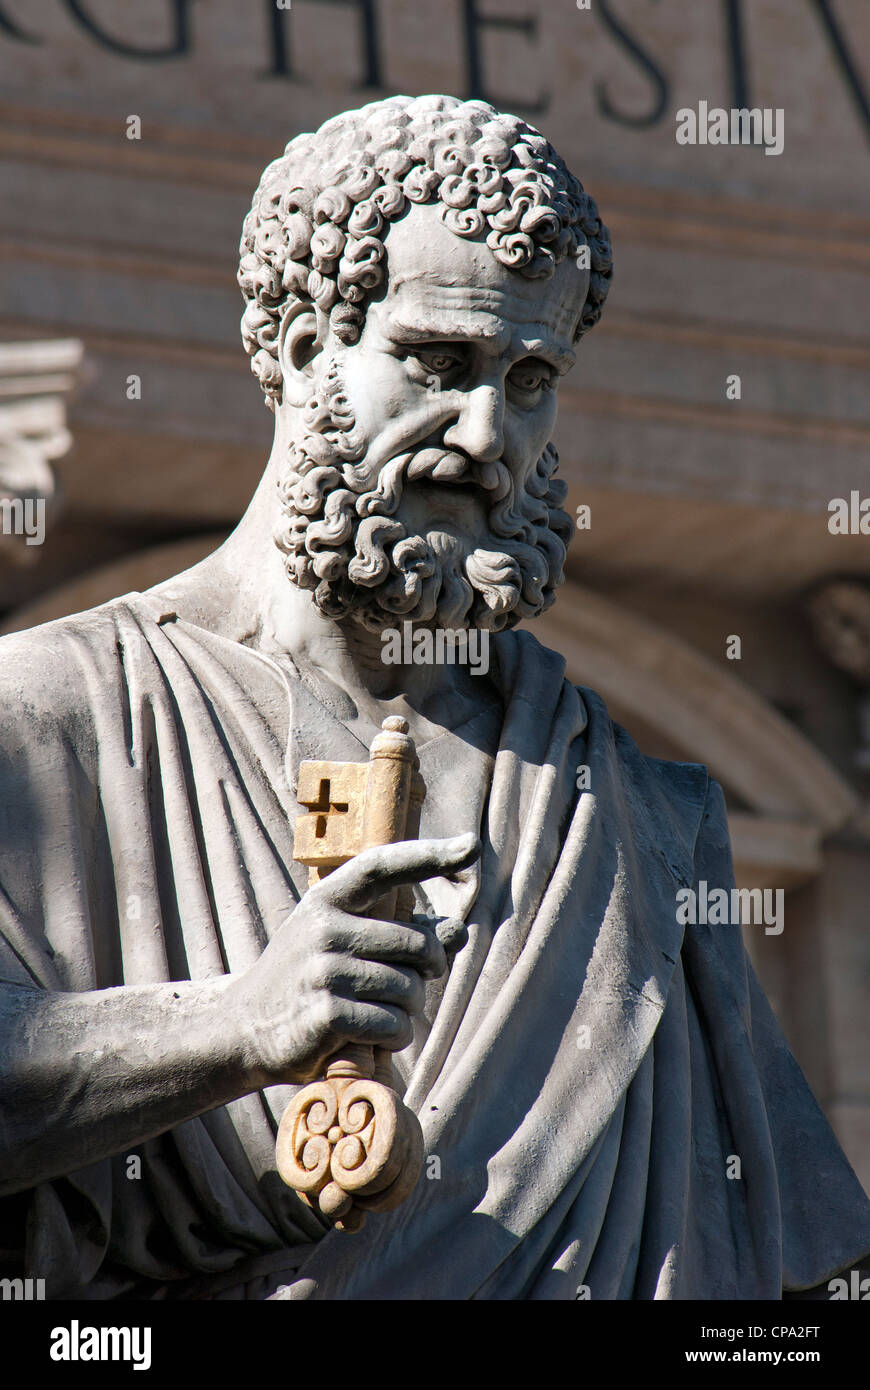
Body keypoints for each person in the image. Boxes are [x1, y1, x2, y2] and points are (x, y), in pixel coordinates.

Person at [1, 95, 868, 1301]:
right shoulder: (49, 717)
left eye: (530, 377)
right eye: (441, 363)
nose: (487, 431)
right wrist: (232, 1027)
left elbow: (799, 1273)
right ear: (303, 348)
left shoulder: (635, 816)